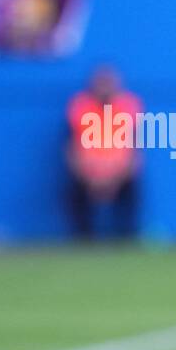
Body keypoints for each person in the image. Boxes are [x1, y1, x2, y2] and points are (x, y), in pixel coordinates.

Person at [66, 67, 142, 239]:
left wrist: (115, 180)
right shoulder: (80, 106)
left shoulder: (127, 106)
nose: (105, 88)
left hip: (119, 175)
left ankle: (127, 237)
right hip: (87, 175)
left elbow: (134, 151)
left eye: (110, 83)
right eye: (101, 83)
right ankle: (83, 239)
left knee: (133, 188)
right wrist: (90, 178)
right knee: (73, 192)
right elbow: (71, 148)